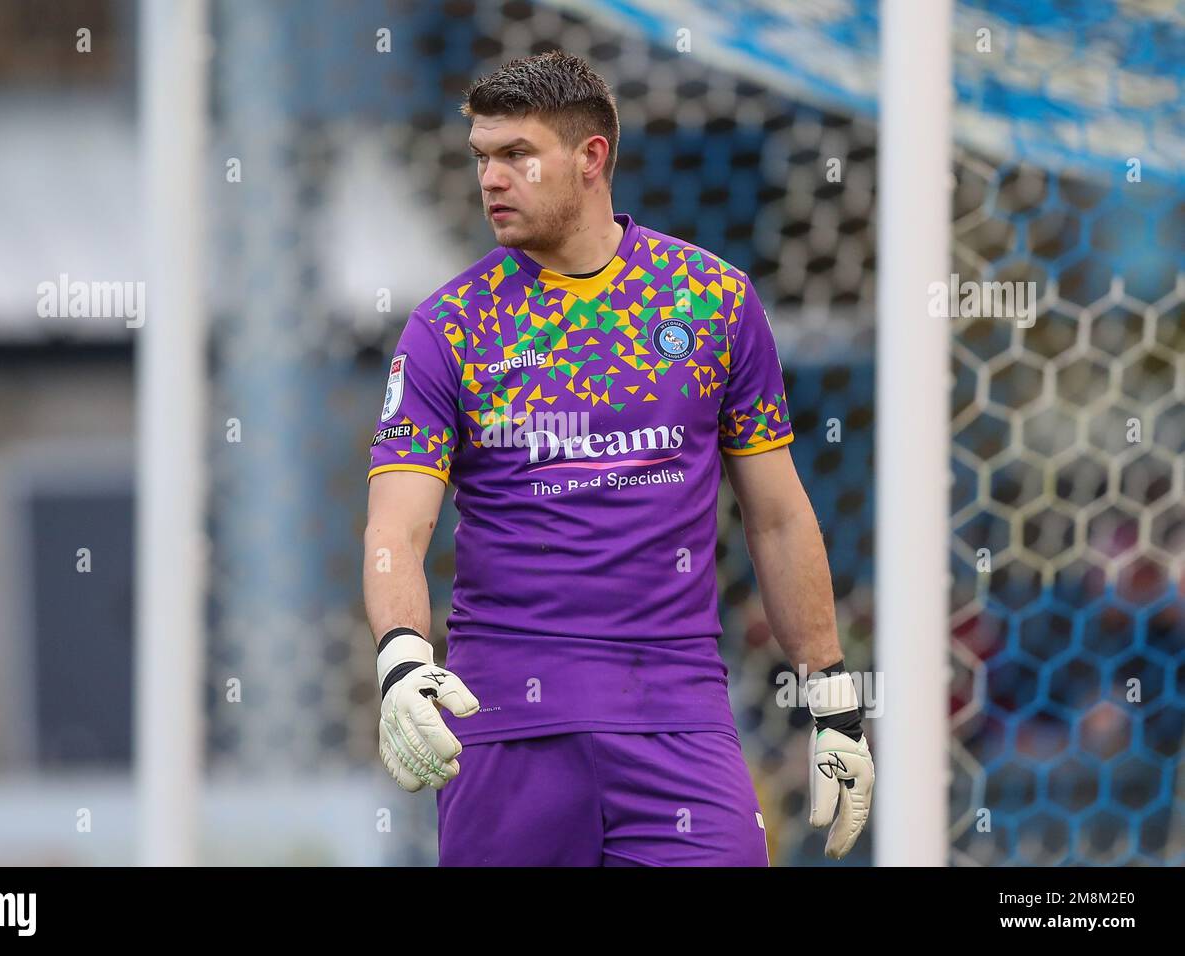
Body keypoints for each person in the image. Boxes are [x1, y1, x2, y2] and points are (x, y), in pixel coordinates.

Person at [362, 51, 872, 866]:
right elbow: (396, 525)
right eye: (482, 158)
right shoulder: (446, 327)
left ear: (592, 158)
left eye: (517, 155)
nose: (491, 178)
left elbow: (776, 517)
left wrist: (834, 694)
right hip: (505, 728)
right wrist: (399, 656)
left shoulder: (713, 303)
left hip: (678, 722)